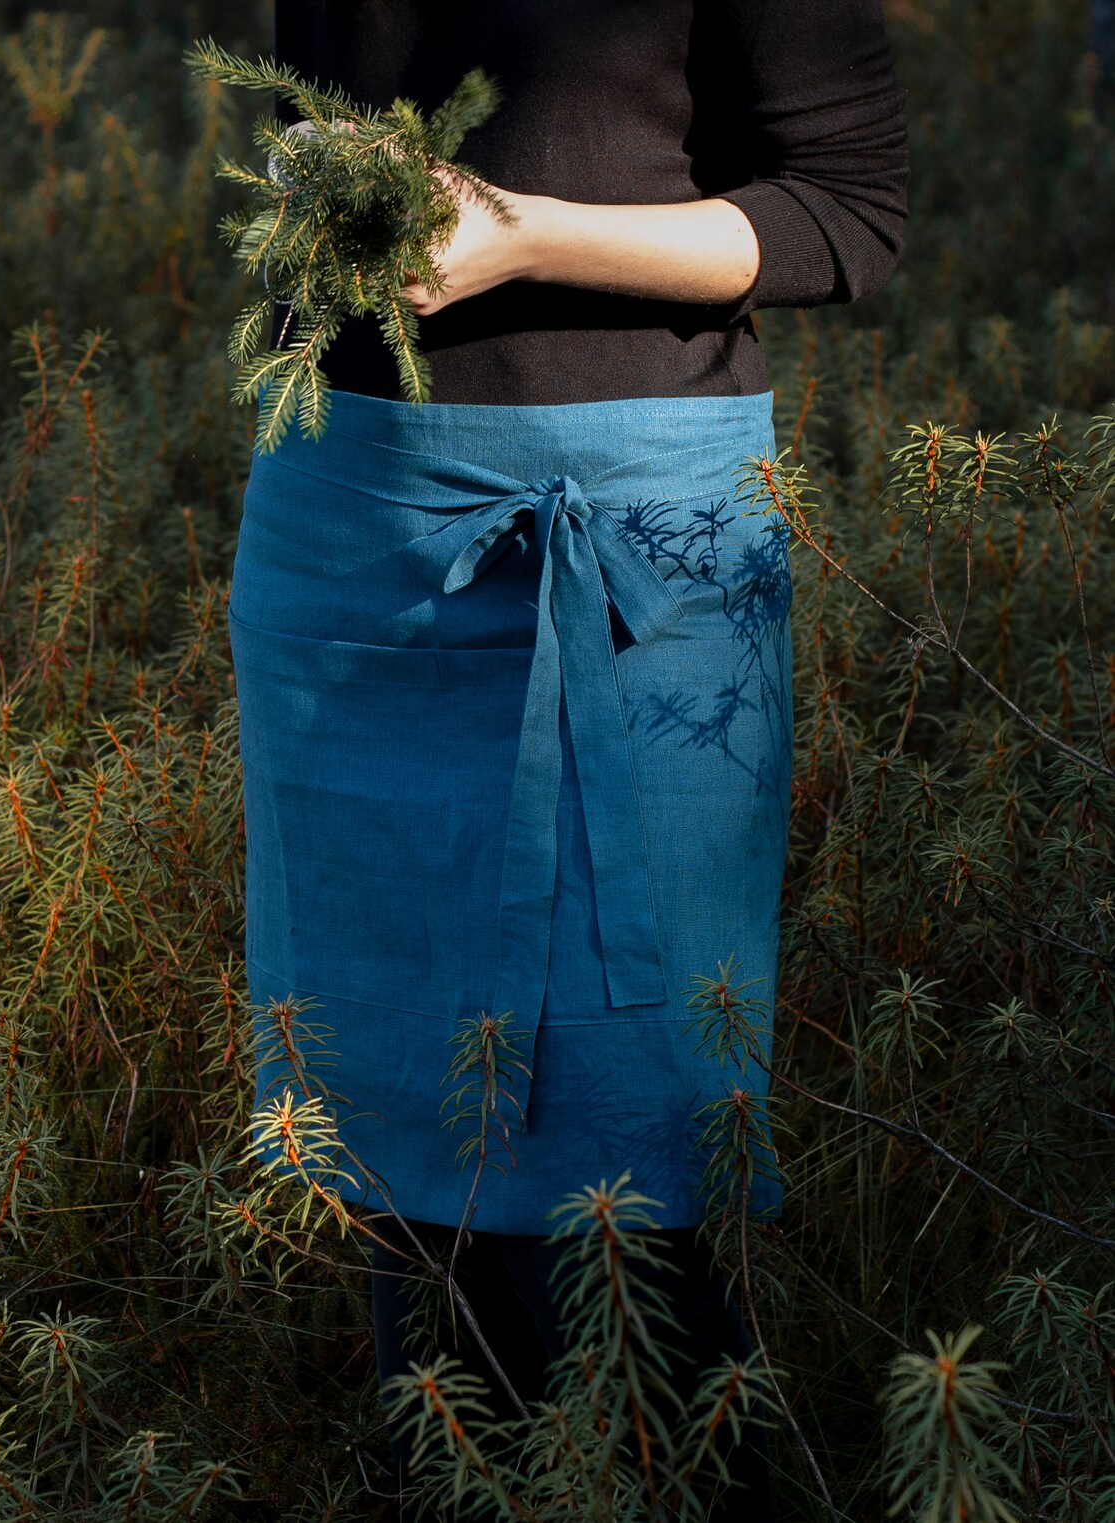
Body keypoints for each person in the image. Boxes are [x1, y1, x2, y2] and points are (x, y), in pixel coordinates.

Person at [228, 2, 909, 1517]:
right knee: (414, 1142)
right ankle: (455, 1481)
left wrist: (523, 234)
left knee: (636, 1140)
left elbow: (849, 213)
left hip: (628, 543)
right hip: (348, 517)